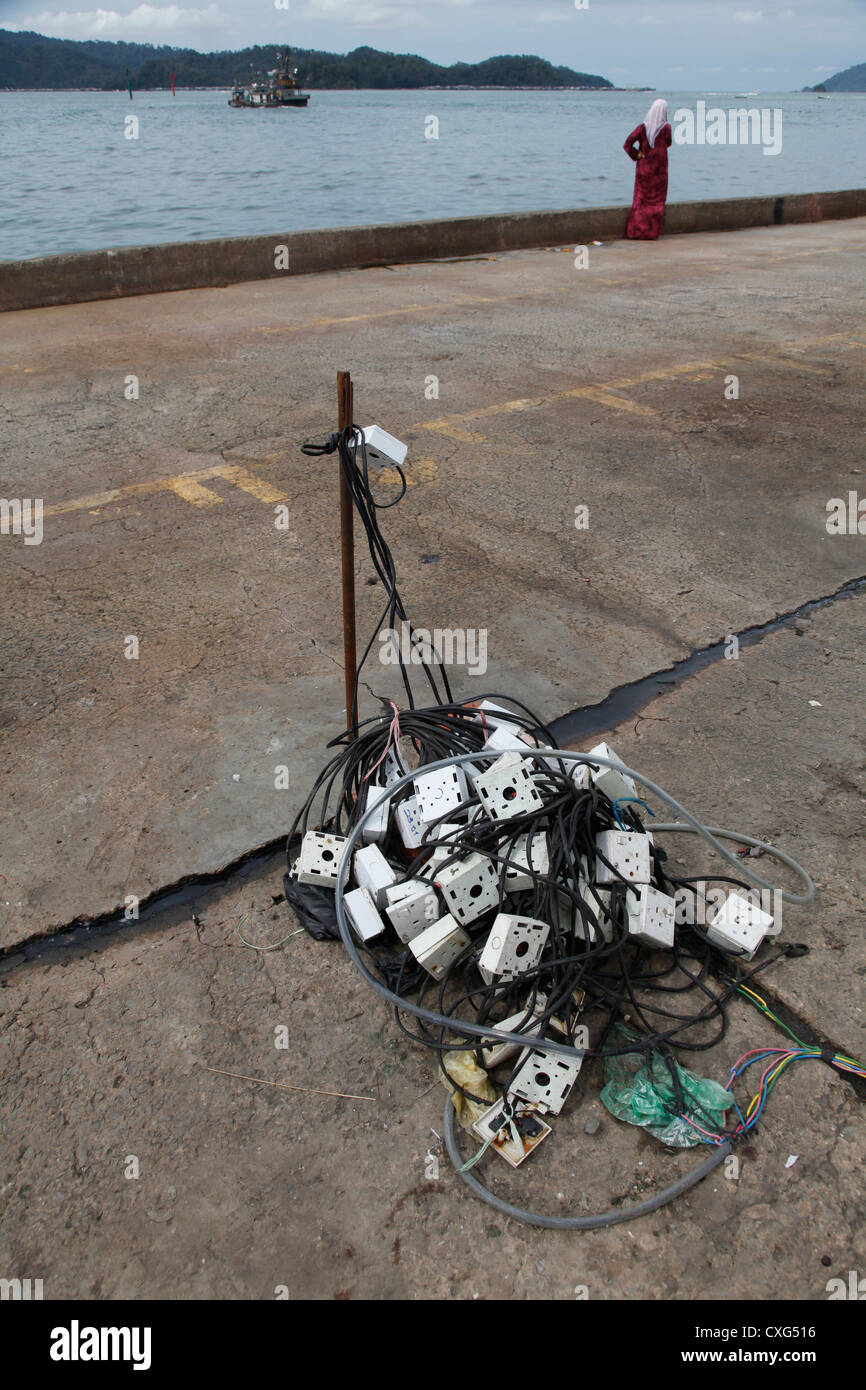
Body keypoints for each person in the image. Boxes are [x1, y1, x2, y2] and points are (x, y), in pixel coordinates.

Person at [623, 99, 672, 240]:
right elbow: (668, 143)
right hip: (660, 171)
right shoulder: (666, 129)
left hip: (644, 169)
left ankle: (636, 231)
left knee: (641, 201)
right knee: (657, 202)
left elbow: (627, 144)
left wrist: (637, 154)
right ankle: (652, 232)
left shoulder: (642, 128)